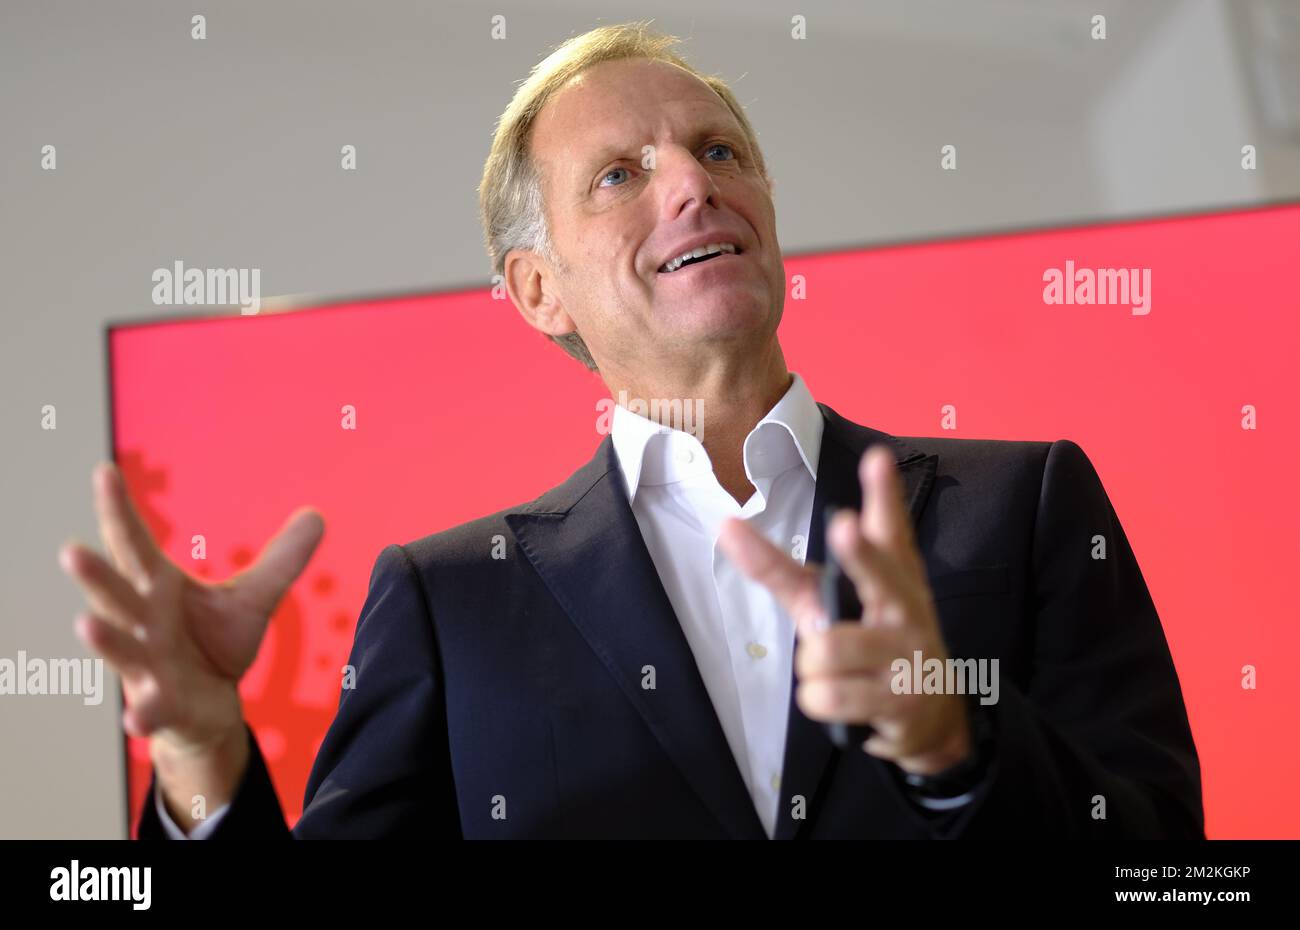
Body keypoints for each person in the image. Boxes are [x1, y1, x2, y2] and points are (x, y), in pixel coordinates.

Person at [60, 22, 1202, 839]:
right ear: (537, 289)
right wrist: (203, 757)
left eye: (718, 152)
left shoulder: (1028, 502)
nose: (690, 189)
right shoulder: (449, 601)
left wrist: (960, 757)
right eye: (617, 175)